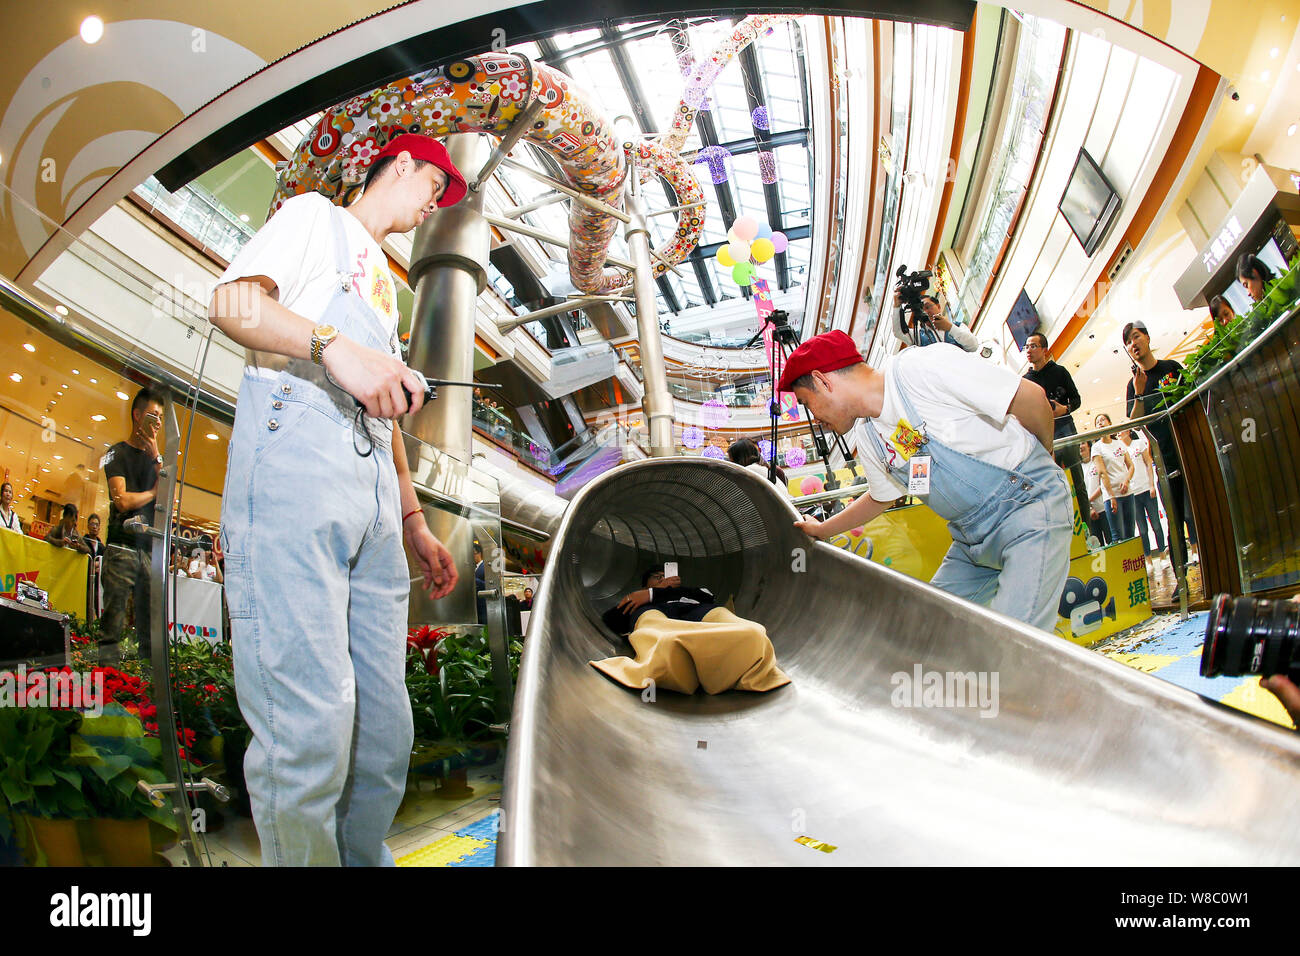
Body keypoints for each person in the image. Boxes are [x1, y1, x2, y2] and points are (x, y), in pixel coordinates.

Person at [206, 132, 464, 867]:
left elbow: (383, 418)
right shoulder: (314, 218)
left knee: (383, 731)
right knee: (306, 723)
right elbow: (230, 303)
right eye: (433, 190)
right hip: (298, 472)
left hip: (375, 502)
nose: (432, 209)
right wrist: (334, 347)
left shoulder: (387, 285)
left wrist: (413, 520)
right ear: (405, 165)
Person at [785, 330, 1070, 631]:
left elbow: (1031, 398)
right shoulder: (870, 435)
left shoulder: (919, 369)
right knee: (926, 632)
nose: (814, 418)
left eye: (806, 402)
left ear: (822, 381)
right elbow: (880, 497)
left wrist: (1044, 459)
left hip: (1028, 509)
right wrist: (822, 529)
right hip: (971, 539)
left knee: (1016, 646)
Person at [102, 386, 165, 666]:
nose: (158, 422)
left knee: (150, 628)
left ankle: (144, 691)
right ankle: (106, 684)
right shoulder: (116, 454)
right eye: (153, 415)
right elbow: (122, 501)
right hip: (121, 548)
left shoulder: (157, 461)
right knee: (112, 625)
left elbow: (169, 497)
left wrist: (156, 456)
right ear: (137, 416)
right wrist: (152, 494)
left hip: (150, 551)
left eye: (161, 417)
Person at [1124, 320, 1197, 562]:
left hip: (1190, 447)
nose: (1133, 344)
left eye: (1135, 337)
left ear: (1147, 337)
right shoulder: (1133, 385)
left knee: (1198, 508)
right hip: (1164, 458)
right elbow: (1133, 424)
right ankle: (1181, 574)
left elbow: (1191, 399)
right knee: (1175, 516)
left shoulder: (1172, 368)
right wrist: (1139, 392)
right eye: (1127, 342)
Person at [1022, 331, 1089, 530]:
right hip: (1042, 438)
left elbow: (1076, 399)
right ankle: (1063, 531)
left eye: (1033, 346)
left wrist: (1064, 409)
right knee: (1052, 486)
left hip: (1065, 432)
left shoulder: (1059, 372)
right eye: (1026, 347)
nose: (1029, 350)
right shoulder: (1026, 380)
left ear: (1044, 350)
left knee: (1077, 481)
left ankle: (1086, 529)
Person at [601, 567, 718, 636]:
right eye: (657, 577)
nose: (663, 579)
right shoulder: (639, 601)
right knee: (649, 619)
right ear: (644, 588)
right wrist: (651, 594)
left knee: (719, 614)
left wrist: (658, 592)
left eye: (665, 576)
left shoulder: (688, 592)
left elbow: (709, 597)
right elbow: (610, 619)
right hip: (661, 626)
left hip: (698, 616)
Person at [1119, 428, 1163, 560]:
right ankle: (1148, 560)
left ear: (1128, 431)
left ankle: (1162, 555)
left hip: (1147, 490)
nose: (1119, 433)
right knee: (1142, 530)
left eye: (1121, 430)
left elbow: (1149, 463)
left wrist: (1151, 485)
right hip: (1133, 494)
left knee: (1156, 524)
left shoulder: (1138, 444)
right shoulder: (1120, 451)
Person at [1091, 414, 1134, 543]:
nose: (1100, 423)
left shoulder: (1119, 444)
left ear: (1109, 423)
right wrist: (1111, 495)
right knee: (1118, 537)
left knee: (1130, 533)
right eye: (1097, 422)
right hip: (1112, 496)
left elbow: (1130, 465)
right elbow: (1102, 473)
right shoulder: (1096, 447)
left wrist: (1127, 481)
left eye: (1103, 420)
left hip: (1128, 492)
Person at [890, 290, 978, 351]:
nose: (925, 312)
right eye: (921, 309)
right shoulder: (919, 336)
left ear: (939, 306)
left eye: (928, 307)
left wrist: (950, 328)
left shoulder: (957, 326)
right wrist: (897, 306)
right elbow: (898, 332)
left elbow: (973, 346)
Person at [726, 437, 792, 499]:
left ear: (738, 458)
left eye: (732, 460)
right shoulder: (761, 468)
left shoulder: (749, 471)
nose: (732, 464)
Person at [1079, 441, 1109, 547]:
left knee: (1111, 541)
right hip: (1090, 513)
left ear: (1089, 446)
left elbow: (1103, 485)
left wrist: (1088, 501)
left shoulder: (1096, 463)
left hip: (1104, 508)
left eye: (1082, 443)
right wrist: (1090, 508)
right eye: (1078, 445)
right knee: (1098, 547)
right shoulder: (1079, 468)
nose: (1080, 447)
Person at [84, 513, 105, 621]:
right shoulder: (83, 542)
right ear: (88, 525)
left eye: (96, 524)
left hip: (97, 583)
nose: (94, 526)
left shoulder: (102, 546)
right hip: (85, 581)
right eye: (92, 524)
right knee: (86, 604)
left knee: (98, 605)